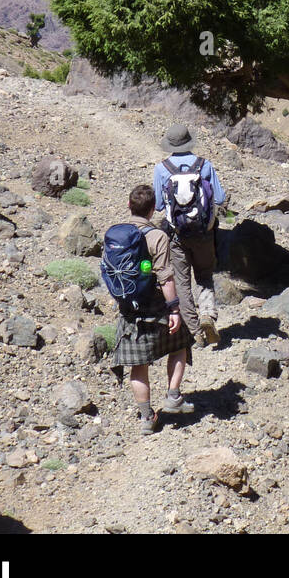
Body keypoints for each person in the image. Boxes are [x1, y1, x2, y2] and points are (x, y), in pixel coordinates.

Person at [107, 184, 194, 435]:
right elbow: (166, 277)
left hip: (129, 310)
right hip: (156, 307)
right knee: (180, 345)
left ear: (128, 205)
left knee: (138, 365)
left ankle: (147, 417)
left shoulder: (114, 235)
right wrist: (174, 309)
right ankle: (173, 395)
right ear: (153, 208)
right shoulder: (158, 237)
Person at [153, 123, 226, 348]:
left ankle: (194, 333)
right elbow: (220, 199)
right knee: (204, 275)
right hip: (204, 233)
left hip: (177, 236)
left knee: (182, 282)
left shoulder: (162, 168)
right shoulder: (205, 165)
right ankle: (207, 315)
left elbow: (157, 205)